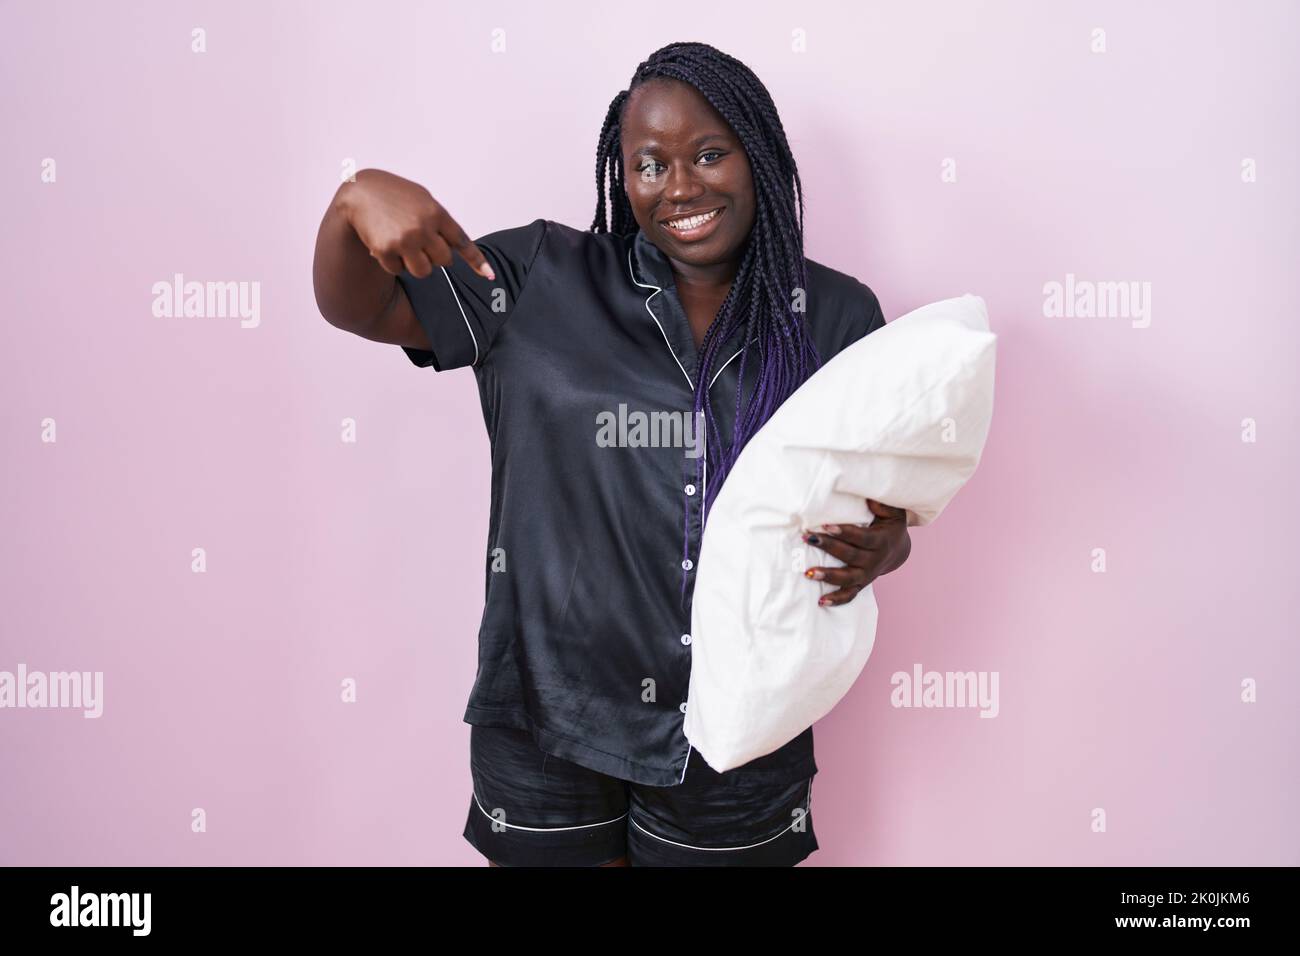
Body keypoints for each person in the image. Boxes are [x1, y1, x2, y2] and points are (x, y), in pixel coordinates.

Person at [312, 41, 912, 867]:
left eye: (709, 154)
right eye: (650, 164)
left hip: (739, 725)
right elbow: (367, 309)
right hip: (550, 717)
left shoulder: (835, 316)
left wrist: (887, 547)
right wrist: (353, 205)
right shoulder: (535, 276)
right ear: (622, 176)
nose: (681, 187)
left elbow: (883, 508)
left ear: (759, 157)